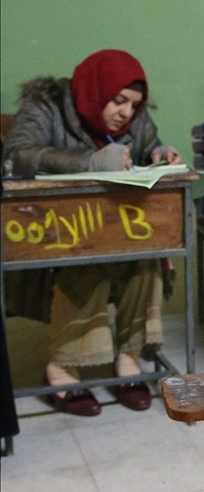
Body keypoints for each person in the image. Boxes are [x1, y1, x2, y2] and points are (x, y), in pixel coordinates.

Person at [3, 50, 180, 416]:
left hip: (119, 228)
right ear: (96, 91)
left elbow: (146, 151)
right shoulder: (47, 105)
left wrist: (160, 154)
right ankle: (62, 368)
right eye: (118, 101)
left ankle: (129, 359)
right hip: (54, 235)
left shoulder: (135, 119)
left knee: (145, 259)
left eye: (133, 105)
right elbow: (18, 154)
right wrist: (91, 162)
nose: (126, 114)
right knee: (86, 262)